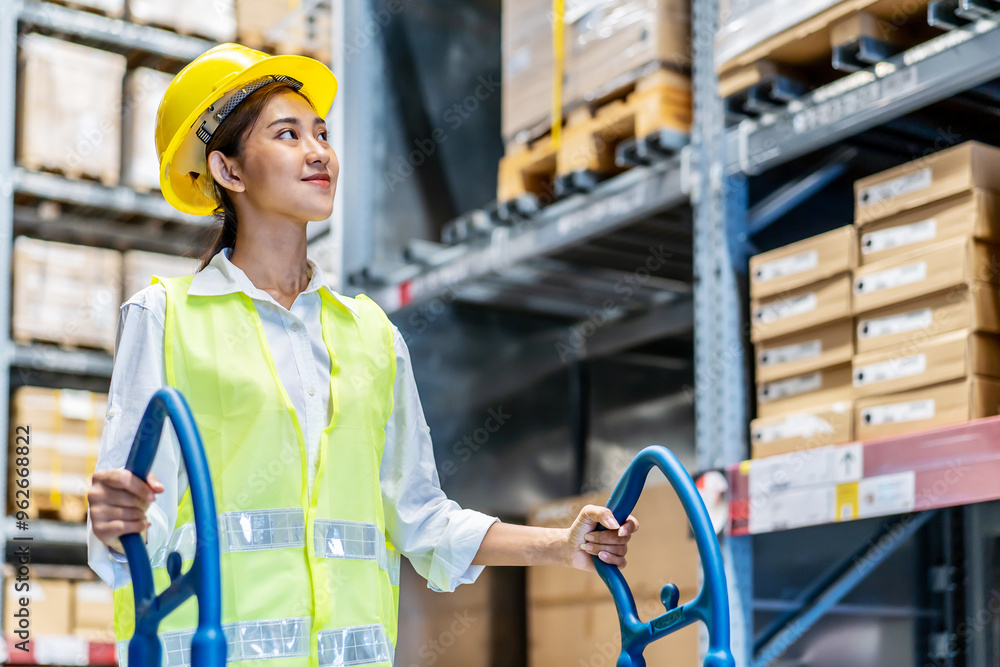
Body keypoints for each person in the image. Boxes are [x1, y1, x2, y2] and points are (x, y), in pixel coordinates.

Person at [86, 44, 638, 667]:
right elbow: (130, 532)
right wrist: (116, 522)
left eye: (321, 132)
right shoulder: (165, 318)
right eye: (287, 134)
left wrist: (563, 543)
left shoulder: (371, 335)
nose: (318, 150)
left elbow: (422, 518)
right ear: (229, 171)